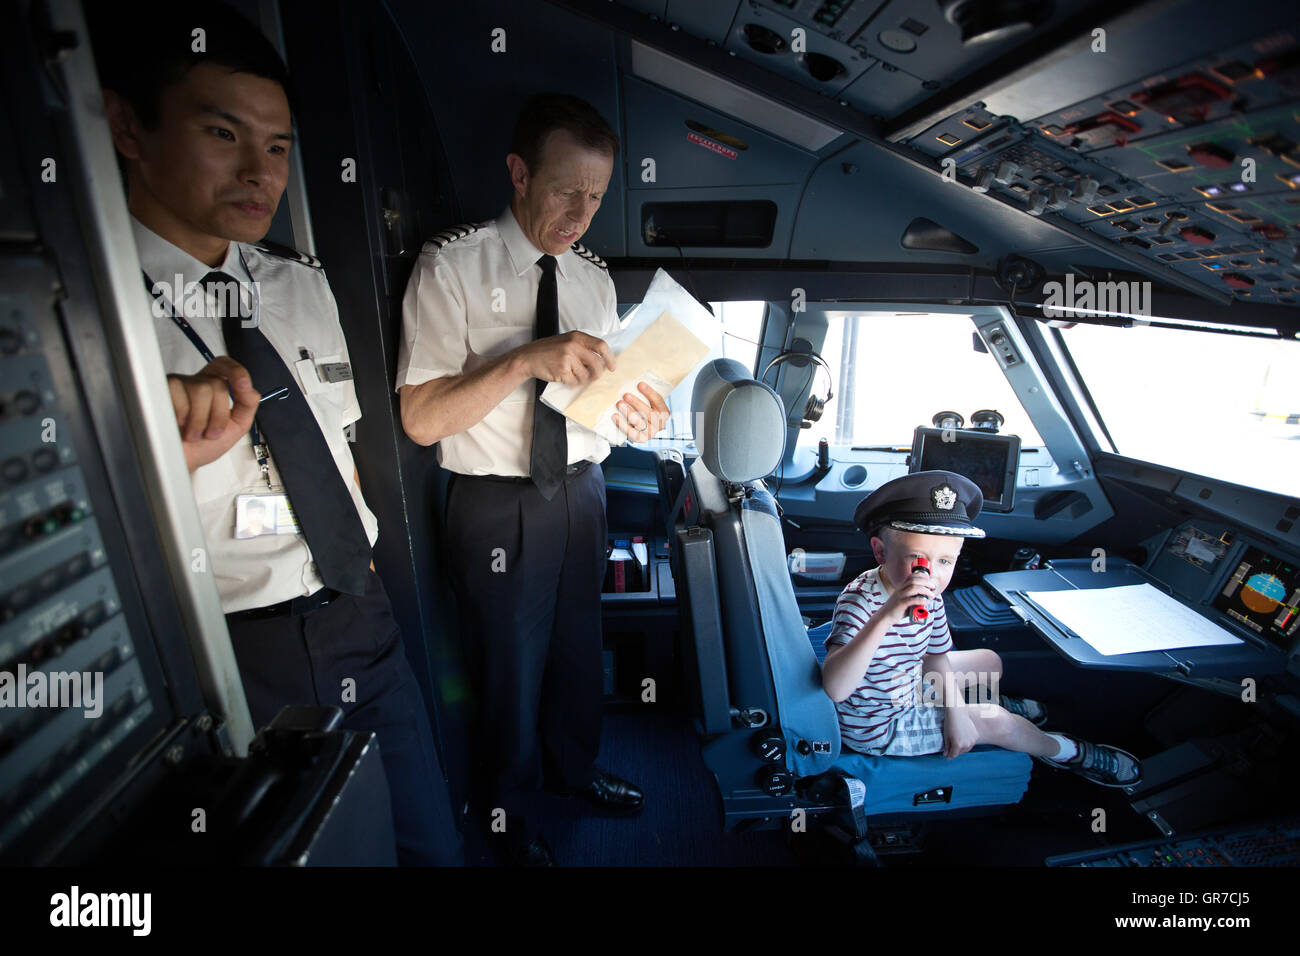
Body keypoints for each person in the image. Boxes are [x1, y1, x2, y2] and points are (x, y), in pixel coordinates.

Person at [90, 0, 462, 864]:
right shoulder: (88, 324)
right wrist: (159, 461)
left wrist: (358, 554)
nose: (261, 172)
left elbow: (340, 444)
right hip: (230, 646)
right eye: (224, 134)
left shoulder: (298, 285)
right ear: (128, 127)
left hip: (357, 610)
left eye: (279, 147)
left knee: (427, 843)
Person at [397, 93, 669, 865]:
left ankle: (574, 774)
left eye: (595, 195)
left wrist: (636, 415)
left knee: (580, 654)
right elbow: (420, 417)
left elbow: (597, 401)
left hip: (583, 490)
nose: (581, 212)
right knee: (508, 675)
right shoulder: (450, 265)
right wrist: (523, 357)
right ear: (519, 173)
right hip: (495, 504)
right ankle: (509, 820)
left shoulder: (593, 279)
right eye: (564, 189)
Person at [821, 471, 1143, 787]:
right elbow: (836, 688)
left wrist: (957, 712)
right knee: (997, 721)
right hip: (879, 721)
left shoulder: (927, 591)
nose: (932, 574)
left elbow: (934, 658)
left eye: (946, 561)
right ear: (880, 551)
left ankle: (987, 708)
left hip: (902, 677)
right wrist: (886, 617)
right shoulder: (861, 602)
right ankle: (1063, 751)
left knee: (990, 662)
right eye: (918, 559)